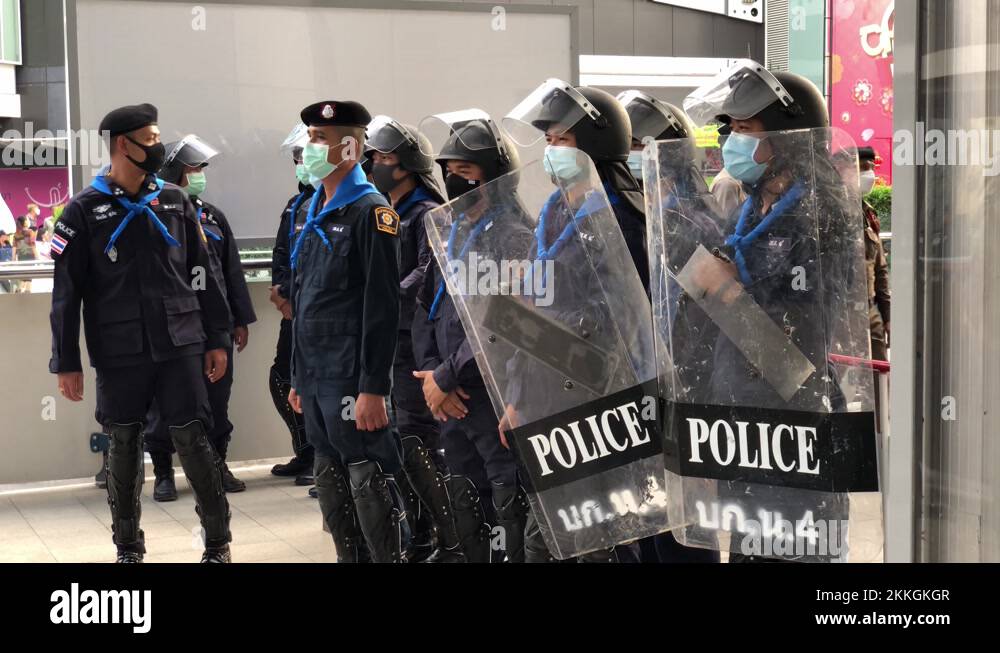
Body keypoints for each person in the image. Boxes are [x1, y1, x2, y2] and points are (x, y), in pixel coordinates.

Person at [682, 61, 864, 562]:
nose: (731, 142)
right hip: (742, 423)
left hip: (796, 427)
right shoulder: (751, 206)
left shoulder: (822, 214)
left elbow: (801, 343)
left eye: (744, 130)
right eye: (731, 130)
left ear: (785, 138)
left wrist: (727, 293)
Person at [49, 103, 234, 563]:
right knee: (123, 444)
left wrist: (216, 337)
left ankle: (217, 544)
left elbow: (202, 270)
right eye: (149, 139)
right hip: (119, 349)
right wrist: (66, 362)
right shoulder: (83, 211)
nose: (158, 146)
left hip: (180, 342)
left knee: (194, 437)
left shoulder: (174, 199)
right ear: (121, 146)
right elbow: (66, 295)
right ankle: (128, 547)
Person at [287, 100, 406, 563]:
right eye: (310, 136)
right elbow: (305, 301)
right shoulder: (313, 206)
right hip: (316, 373)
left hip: (351, 376)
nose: (309, 146)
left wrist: (373, 388)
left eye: (319, 138)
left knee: (366, 476)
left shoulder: (371, 212)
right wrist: (298, 376)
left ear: (351, 147)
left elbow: (382, 307)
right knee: (329, 474)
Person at [412, 110, 532, 562]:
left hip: (490, 394)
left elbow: (504, 324)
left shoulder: (515, 237)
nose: (454, 180)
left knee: (506, 503)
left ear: (494, 176)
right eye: (449, 172)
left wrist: (447, 376)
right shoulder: (451, 229)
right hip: (448, 395)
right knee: (464, 501)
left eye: (465, 172)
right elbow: (427, 303)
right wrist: (431, 376)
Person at [365, 116, 463, 562]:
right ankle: (422, 534)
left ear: (406, 165)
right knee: (402, 443)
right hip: (392, 340)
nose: (377, 166)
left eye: (384, 159)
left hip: (414, 342)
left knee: (417, 442)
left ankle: (451, 537)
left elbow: (426, 273)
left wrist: (382, 294)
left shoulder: (425, 213)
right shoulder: (387, 210)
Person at [143, 134, 258, 500]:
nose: (199, 175)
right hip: (172, 326)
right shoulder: (151, 212)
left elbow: (231, 272)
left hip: (213, 324)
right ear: (175, 171)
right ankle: (163, 472)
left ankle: (215, 466)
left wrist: (238, 320)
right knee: (163, 406)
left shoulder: (211, 216)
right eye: (194, 169)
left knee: (216, 400)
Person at [269, 124, 317, 493]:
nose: (301, 164)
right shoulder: (295, 203)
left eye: (305, 156)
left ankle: (322, 456)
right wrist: (282, 292)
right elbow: (283, 254)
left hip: (322, 311)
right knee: (282, 379)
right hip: (293, 309)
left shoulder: (343, 202)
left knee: (318, 384)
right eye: (296, 159)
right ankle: (305, 450)